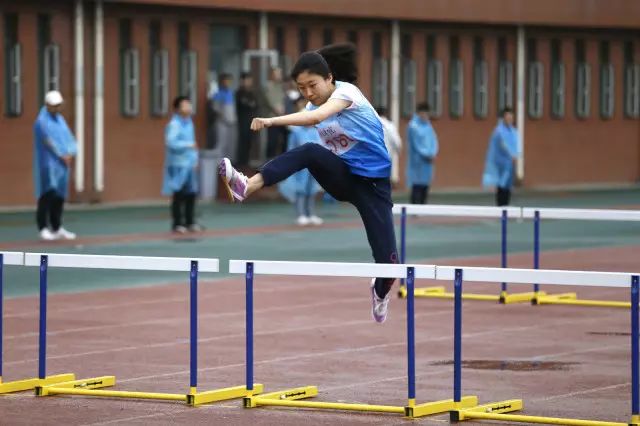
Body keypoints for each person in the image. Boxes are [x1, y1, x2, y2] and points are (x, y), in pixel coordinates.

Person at [219, 43, 398, 323]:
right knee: (310, 152)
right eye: (301, 88)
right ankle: (246, 186)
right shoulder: (312, 104)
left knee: (390, 266)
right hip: (344, 178)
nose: (308, 94)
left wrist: (269, 120)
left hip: (373, 188)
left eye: (312, 85)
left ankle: (380, 291)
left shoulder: (346, 92)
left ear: (329, 78)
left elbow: (314, 117)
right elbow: (307, 117)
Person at [33, 90, 78, 241]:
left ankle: (57, 226)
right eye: (54, 106)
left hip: (62, 166)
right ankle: (43, 228)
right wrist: (61, 154)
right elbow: (48, 141)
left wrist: (71, 152)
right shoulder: (41, 121)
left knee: (59, 196)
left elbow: (69, 138)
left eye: (59, 105)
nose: (57, 108)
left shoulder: (60, 120)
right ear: (47, 105)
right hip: (48, 164)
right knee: (47, 194)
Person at [278, 96, 324, 226]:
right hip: (301, 166)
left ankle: (311, 214)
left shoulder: (316, 132)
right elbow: (291, 149)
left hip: (314, 167)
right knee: (300, 190)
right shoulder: (296, 132)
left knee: (312, 190)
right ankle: (300, 214)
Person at [162, 96, 202, 233]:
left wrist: (195, 160)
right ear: (178, 109)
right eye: (185, 105)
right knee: (178, 194)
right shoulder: (174, 124)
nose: (189, 107)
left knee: (191, 193)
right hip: (177, 164)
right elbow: (171, 143)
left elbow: (194, 143)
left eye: (189, 104)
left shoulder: (189, 122)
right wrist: (188, 145)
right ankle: (177, 223)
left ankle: (190, 221)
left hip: (189, 163)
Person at [482, 107, 520, 206]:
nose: (510, 120)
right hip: (500, 163)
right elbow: (503, 144)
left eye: (511, 118)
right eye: (508, 117)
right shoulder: (499, 131)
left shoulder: (513, 131)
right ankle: (500, 207)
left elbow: (516, 145)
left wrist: (516, 155)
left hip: (509, 164)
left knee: (507, 186)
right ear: (504, 118)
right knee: (501, 186)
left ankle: (506, 207)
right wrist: (511, 154)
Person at [406, 103, 439, 204]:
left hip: (428, 162)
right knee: (416, 186)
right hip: (417, 161)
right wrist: (427, 154)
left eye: (427, 114)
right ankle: (414, 210)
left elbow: (434, 140)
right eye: (424, 113)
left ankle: (423, 208)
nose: (426, 116)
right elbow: (417, 144)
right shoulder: (413, 126)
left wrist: (433, 152)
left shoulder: (428, 125)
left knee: (425, 186)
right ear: (419, 113)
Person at [211, 73, 238, 161]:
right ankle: (218, 166)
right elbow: (216, 109)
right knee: (221, 144)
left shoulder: (230, 93)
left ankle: (228, 166)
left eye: (229, 81)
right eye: (226, 80)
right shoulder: (218, 93)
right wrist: (224, 118)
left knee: (230, 144)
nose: (228, 82)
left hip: (231, 122)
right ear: (222, 82)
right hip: (222, 123)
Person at [236, 72, 259, 167]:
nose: (247, 82)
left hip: (251, 120)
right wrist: (249, 104)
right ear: (242, 81)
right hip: (242, 121)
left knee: (250, 142)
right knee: (242, 142)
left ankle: (246, 162)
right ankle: (241, 162)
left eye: (249, 80)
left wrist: (250, 104)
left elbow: (255, 104)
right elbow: (244, 104)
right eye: (245, 80)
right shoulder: (238, 93)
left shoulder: (252, 92)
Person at [263, 67, 287, 157]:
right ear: (272, 75)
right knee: (272, 142)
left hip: (282, 119)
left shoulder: (281, 87)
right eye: (277, 74)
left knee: (283, 142)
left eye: (280, 73)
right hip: (273, 119)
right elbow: (273, 104)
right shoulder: (268, 87)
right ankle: (267, 165)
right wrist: (283, 114)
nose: (280, 76)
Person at [375, 107, 402, 186]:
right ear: (386, 114)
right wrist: (398, 151)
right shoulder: (390, 126)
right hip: (386, 156)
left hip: (373, 156)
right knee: (384, 180)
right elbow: (396, 141)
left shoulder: (371, 124)